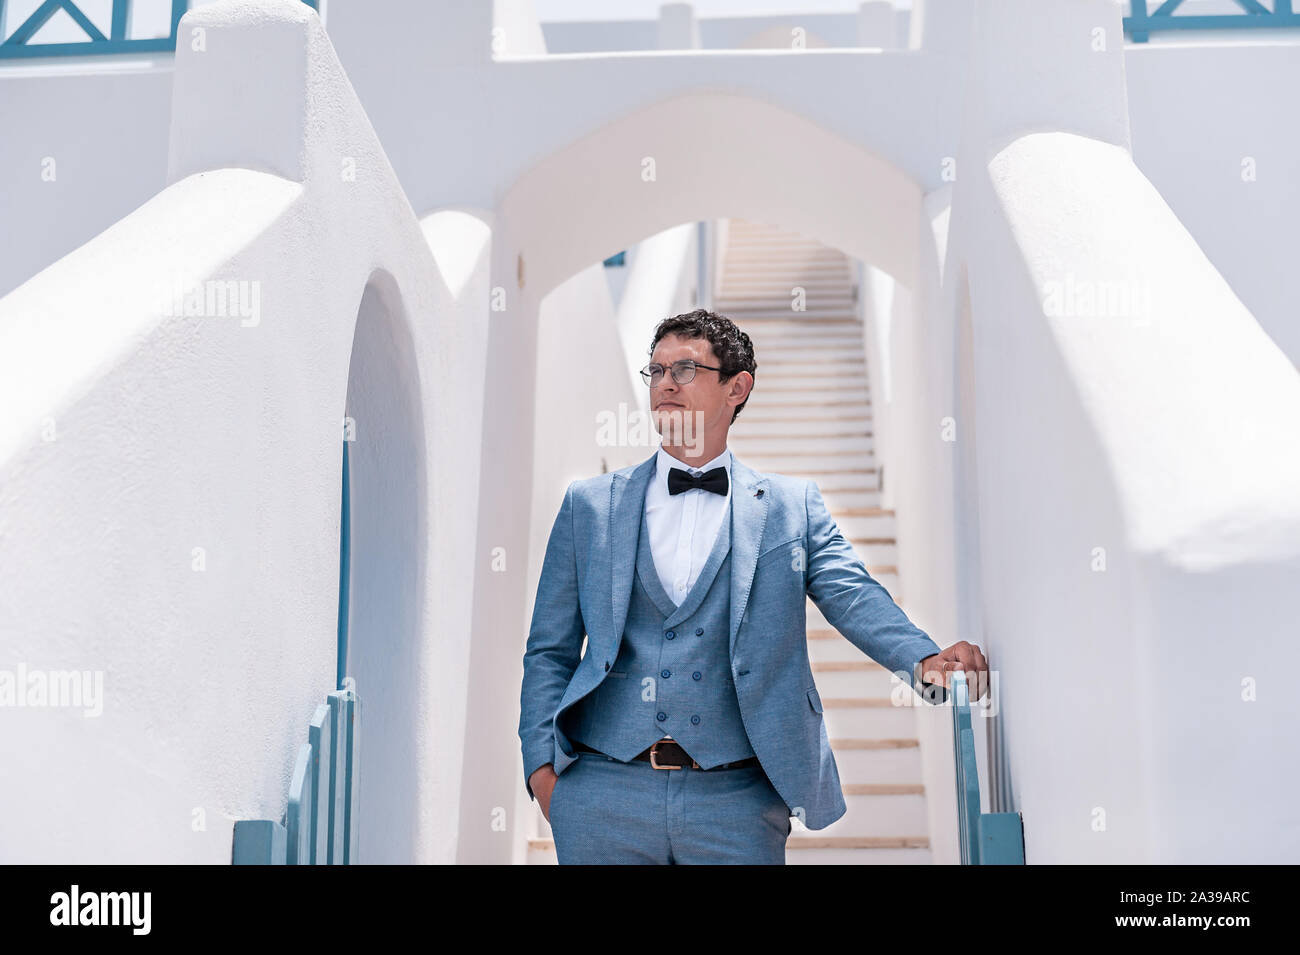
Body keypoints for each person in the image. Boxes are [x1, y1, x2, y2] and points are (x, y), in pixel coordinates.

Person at [518, 308, 988, 864]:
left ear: (736, 387)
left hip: (736, 800)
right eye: (657, 370)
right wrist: (543, 773)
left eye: (686, 369)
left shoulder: (791, 508)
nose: (666, 383)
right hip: (603, 793)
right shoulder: (590, 506)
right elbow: (549, 649)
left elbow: (853, 596)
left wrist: (925, 661)